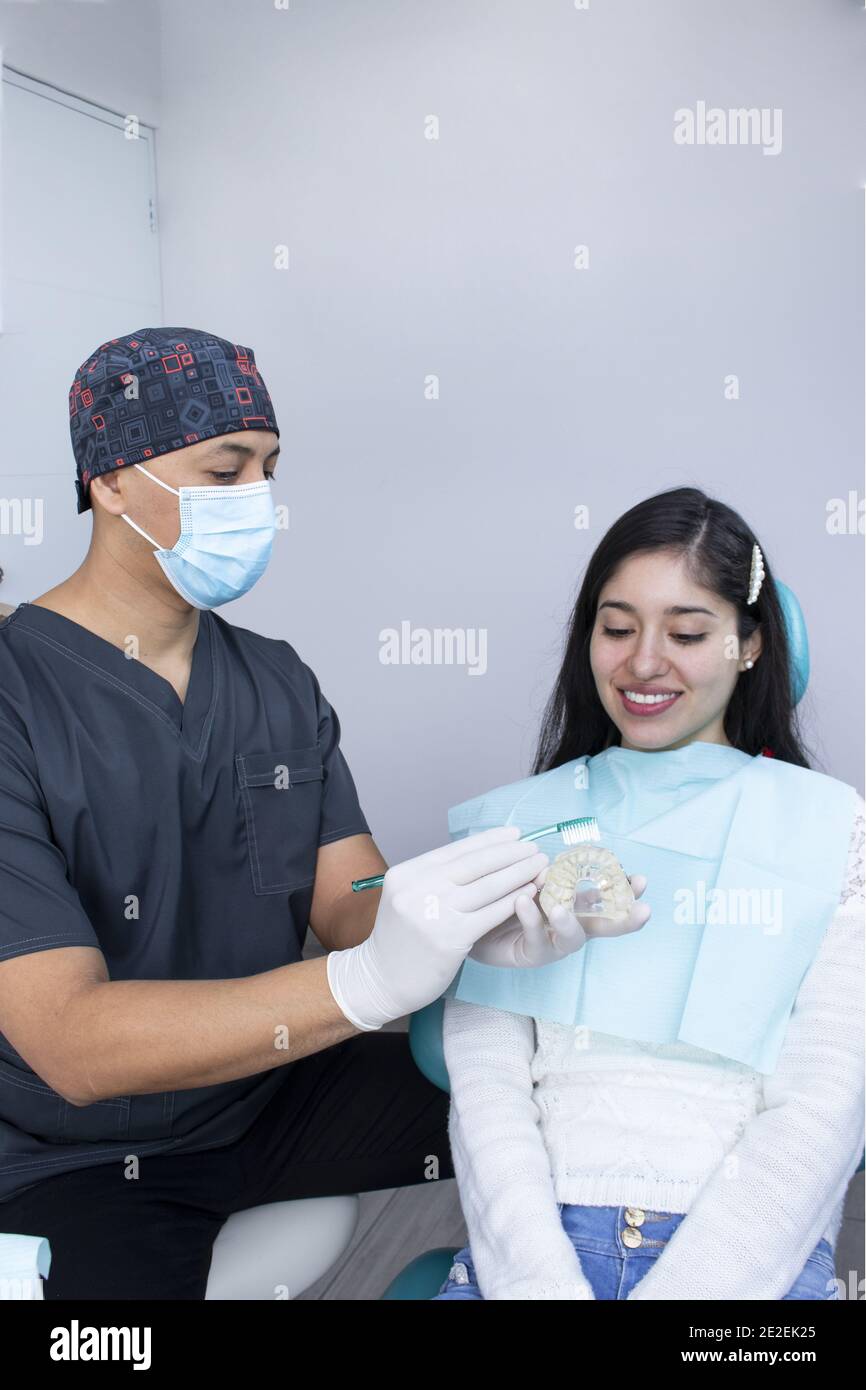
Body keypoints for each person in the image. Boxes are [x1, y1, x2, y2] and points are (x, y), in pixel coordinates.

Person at [0, 326, 591, 1301]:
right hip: (79, 1153)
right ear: (109, 482)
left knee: (563, 1110)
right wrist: (365, 984)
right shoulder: (21, 695)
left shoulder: (272, 679)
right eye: (224, 471)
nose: (257, 503)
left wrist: (471, 917)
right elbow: (72, 1042)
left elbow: (348, 894)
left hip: (271, 1094)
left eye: (268, 471)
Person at [433, 487, 865, 1301]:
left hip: (748, 1266)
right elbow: (487, 1090)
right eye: (619, 627)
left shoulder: (837, 833)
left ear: (749, 645)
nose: (642, 663)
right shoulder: (517, 826)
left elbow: (824, 1109)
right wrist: (538, 1286)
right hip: (535, 1250)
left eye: (688, 632)